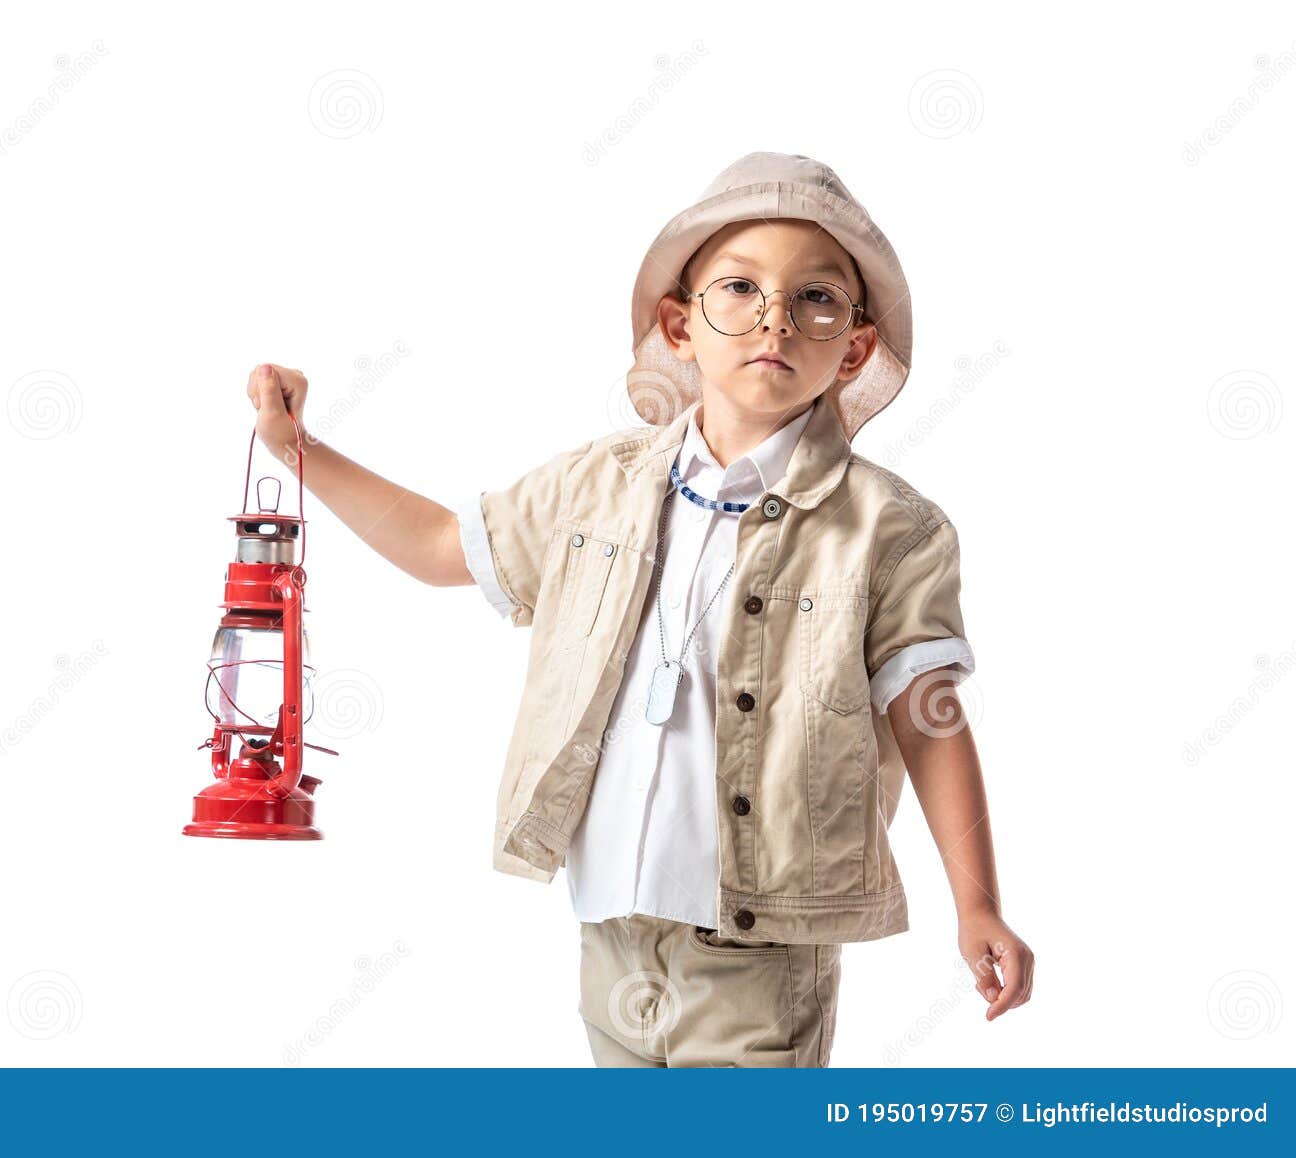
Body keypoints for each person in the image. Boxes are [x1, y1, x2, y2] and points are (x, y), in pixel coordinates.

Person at [244, 151, 1034, 1067]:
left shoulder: (889, 529)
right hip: (610, 936)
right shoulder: (596, 487)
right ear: (680, 324)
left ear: (852, 347)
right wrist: (300, 449)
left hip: (757, 956)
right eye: (739, 288)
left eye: (815, 299)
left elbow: (930, 719)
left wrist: (977, 904)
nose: (775, 317)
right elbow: (434, 547)